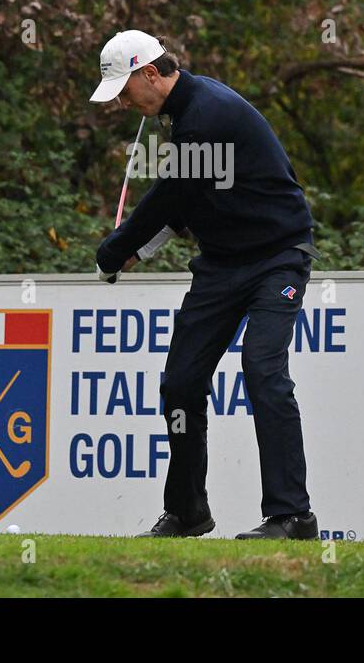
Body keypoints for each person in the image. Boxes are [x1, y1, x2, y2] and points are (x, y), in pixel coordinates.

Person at [89, 29, 321, 540]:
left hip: (277, 258)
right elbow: (192, 200)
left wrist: (114, 249)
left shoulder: (208, 113)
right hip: (221, 266)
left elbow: (172, 195)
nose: (124, 103)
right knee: (181, 384)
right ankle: (188, 510)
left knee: (263, 372)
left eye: (125, 91)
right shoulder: (181, 117)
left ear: (151, 73)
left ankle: (292, 516)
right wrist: (137, 251)